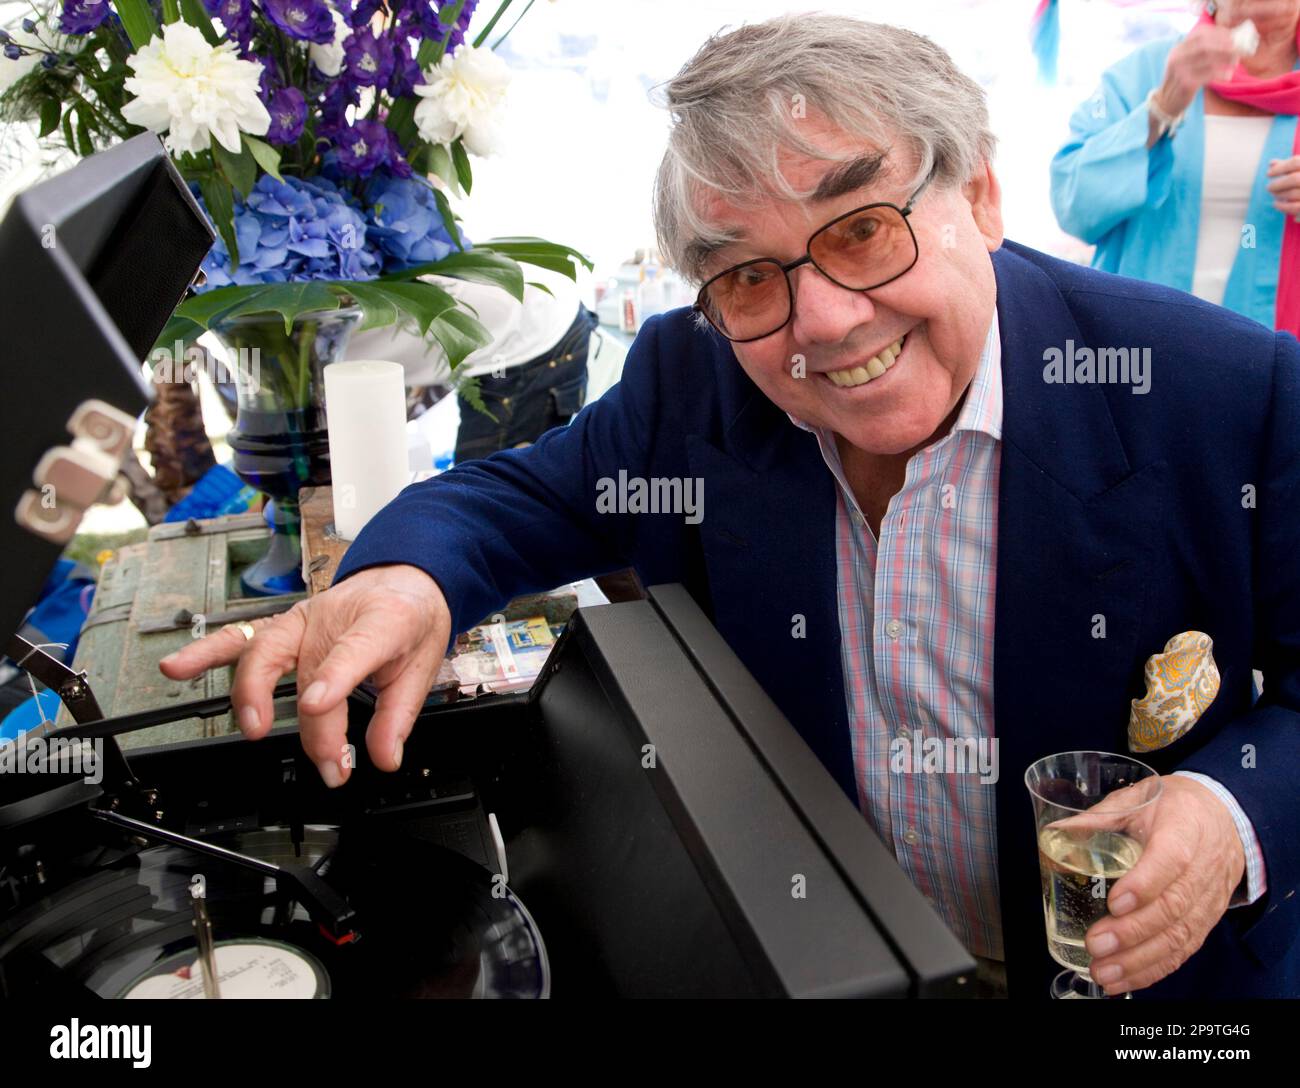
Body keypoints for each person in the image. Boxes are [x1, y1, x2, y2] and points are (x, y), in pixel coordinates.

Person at [160, 14, 1300, 999]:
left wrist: (1227, 809)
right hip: (817, 960)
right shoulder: (692, 376)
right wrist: (402, 579)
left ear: (982, 195)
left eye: (861, 227)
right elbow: (524, 493)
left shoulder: (1222, 393)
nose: (823, 322)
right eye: (748, 272)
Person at [1052, 0, 1300, 333]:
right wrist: (1160, 110)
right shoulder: (1146, 71)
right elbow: (1074, 206)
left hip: (1270, 365)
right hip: (1142, 352)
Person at [346, 267, 599, 463]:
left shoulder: (327, 325)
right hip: (506, 309)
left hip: (531, 331)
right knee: (475, 496)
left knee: (489, 497)